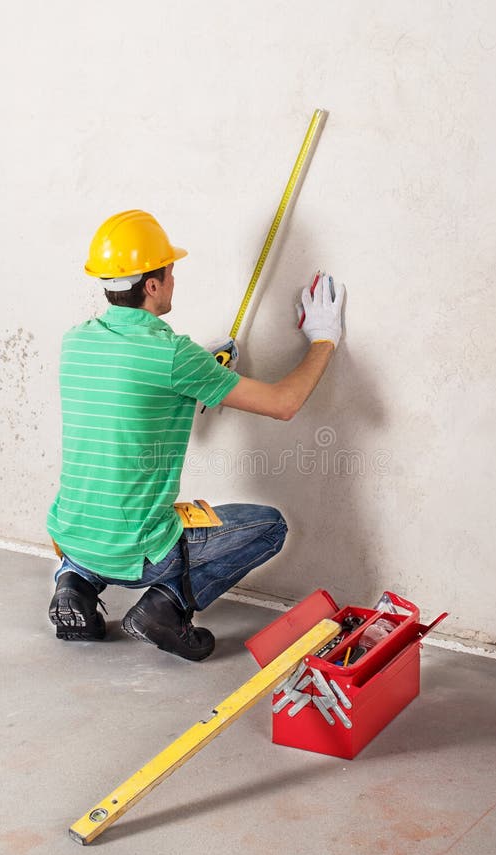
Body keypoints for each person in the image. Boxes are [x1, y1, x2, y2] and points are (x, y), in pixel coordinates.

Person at [47, 209, 345, 661]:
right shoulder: (173, 357)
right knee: (269, 525)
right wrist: (324, 339)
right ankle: (165, 607)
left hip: (71, 533)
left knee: (100, 514)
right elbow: (284, 403)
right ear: (151, 285)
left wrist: (203, 370)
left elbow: (129, 395)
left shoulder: (77, 342)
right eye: (169, 272)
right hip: (140, 551)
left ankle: (74, 583)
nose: (172, 280)